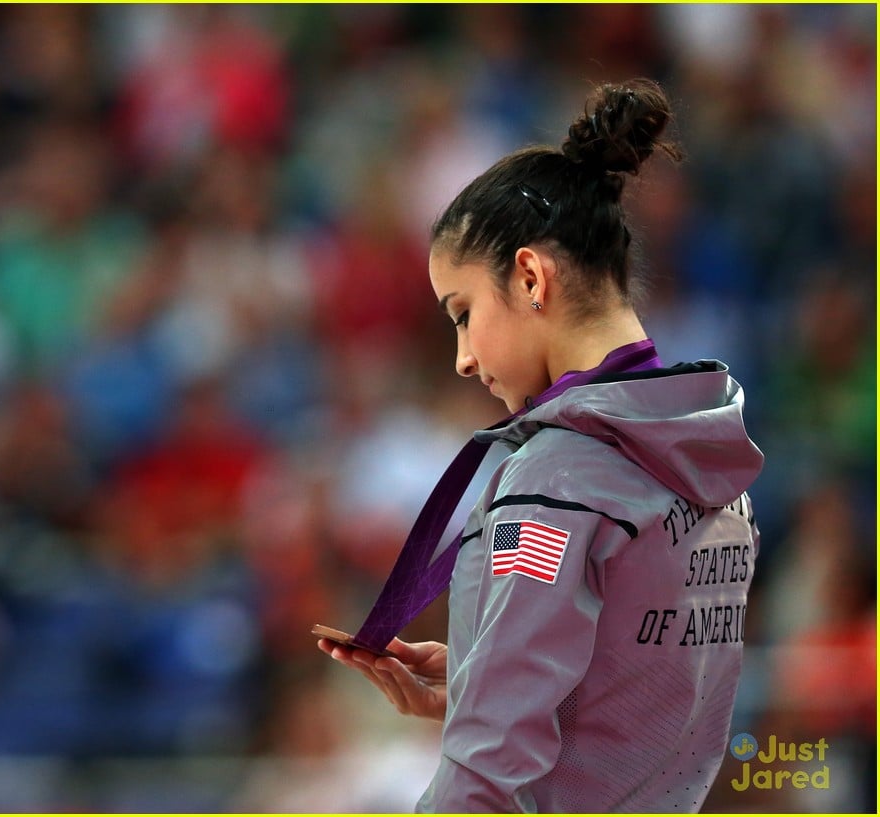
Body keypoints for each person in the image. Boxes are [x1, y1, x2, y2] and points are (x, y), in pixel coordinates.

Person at [318, 78, 765, 812]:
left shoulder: (560, 473)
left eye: (462, 313)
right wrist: (479, 681)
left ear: (530, 276)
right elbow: (644, 701)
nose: (461, 357)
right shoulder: (712, 460)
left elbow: (486, 775)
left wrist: (489, 707)